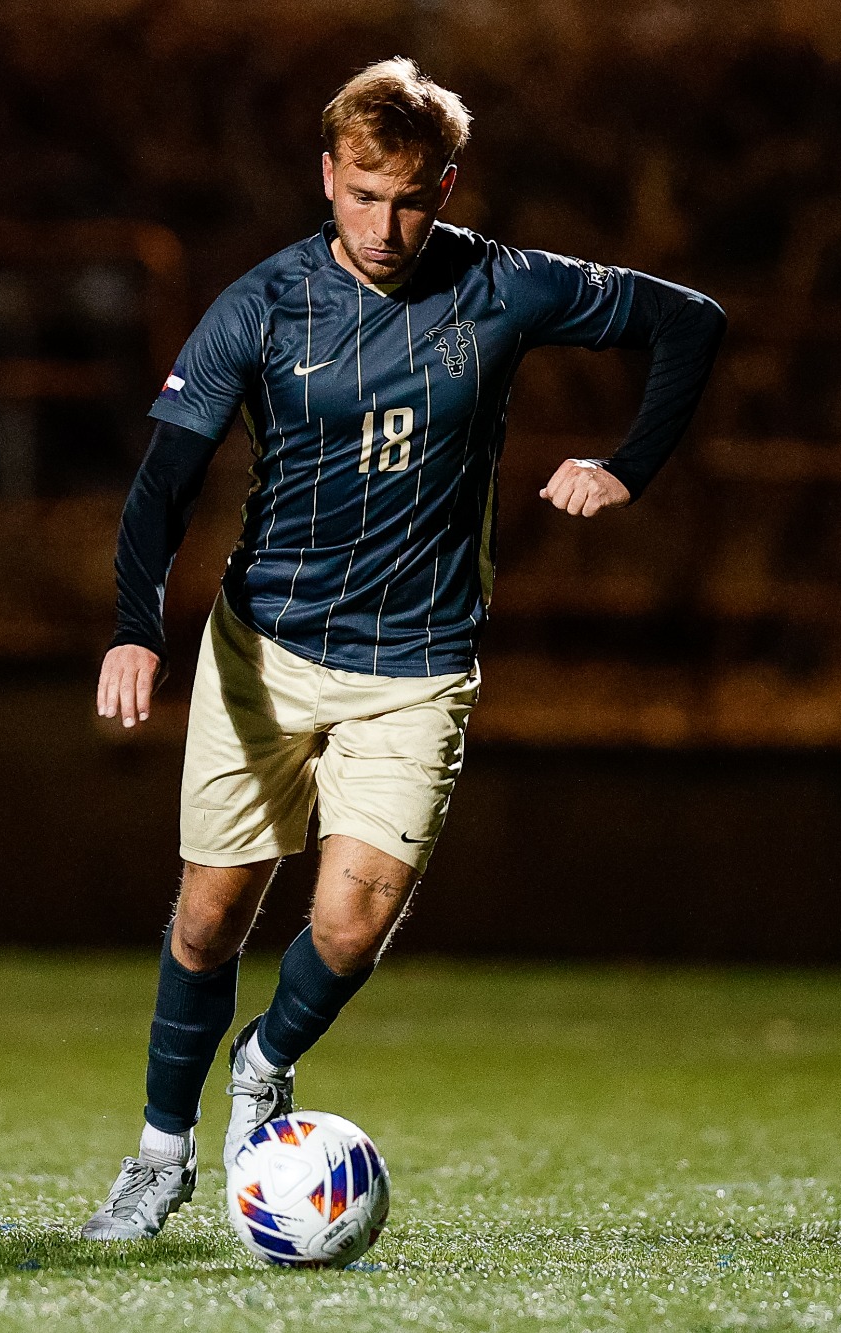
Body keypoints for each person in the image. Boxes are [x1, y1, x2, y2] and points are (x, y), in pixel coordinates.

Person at [80, 56, 725, 1240]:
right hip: (262, 655)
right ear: (327, 177)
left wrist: (624, 465)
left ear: (445, 185)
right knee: (210, 919)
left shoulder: (502, 285)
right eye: (364, 193)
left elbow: (688, 321)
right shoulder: (260, 305)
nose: (386, 224)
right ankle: (157, 1158)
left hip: (419, 662)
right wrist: (135, 622)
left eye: (412, 197)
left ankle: (265, 1067)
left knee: (348, 924)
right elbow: (166, 476)